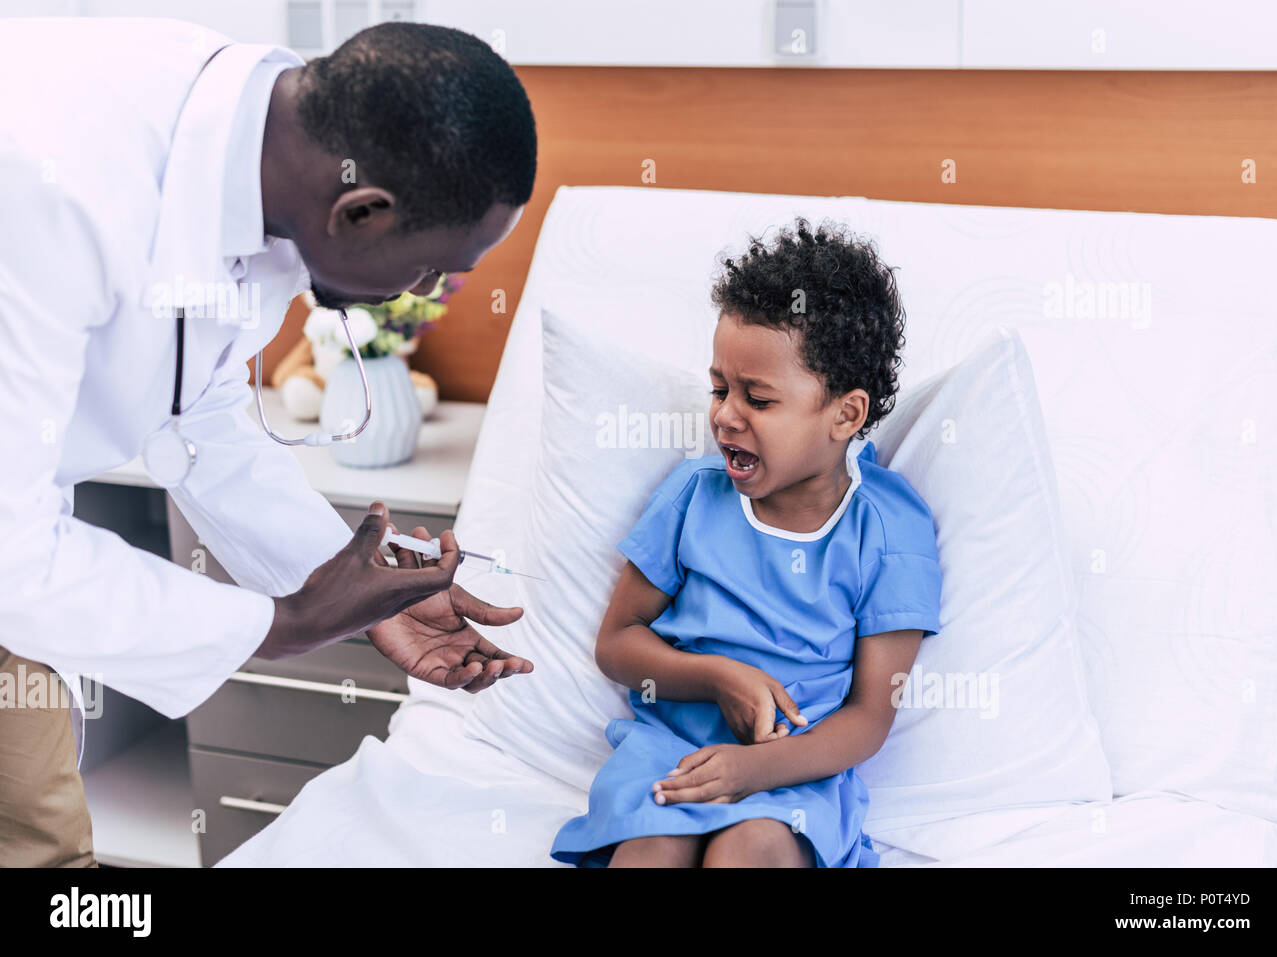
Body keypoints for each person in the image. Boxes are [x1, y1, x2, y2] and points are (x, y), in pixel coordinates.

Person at [0, 17, 538, 866]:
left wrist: (354, 587)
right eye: (434, 265)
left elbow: (199, 413)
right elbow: (8, 550)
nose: (431, 289)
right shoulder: (48, 180)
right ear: (362, 210)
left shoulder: (265, 150)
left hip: (17, 530)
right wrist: (275, 626)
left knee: (43, 846)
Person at [550, 218, 944, 867]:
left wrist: (754, 769)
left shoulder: (889, 527)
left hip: (794, 770)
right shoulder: (693, 494)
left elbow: (869, 716)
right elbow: (617, 642)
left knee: (750, 849)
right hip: (670, 751)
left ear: (845, 414)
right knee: (650, 851)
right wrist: (716, 677)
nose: (726, 414)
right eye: (719, 388)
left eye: (757, 398)